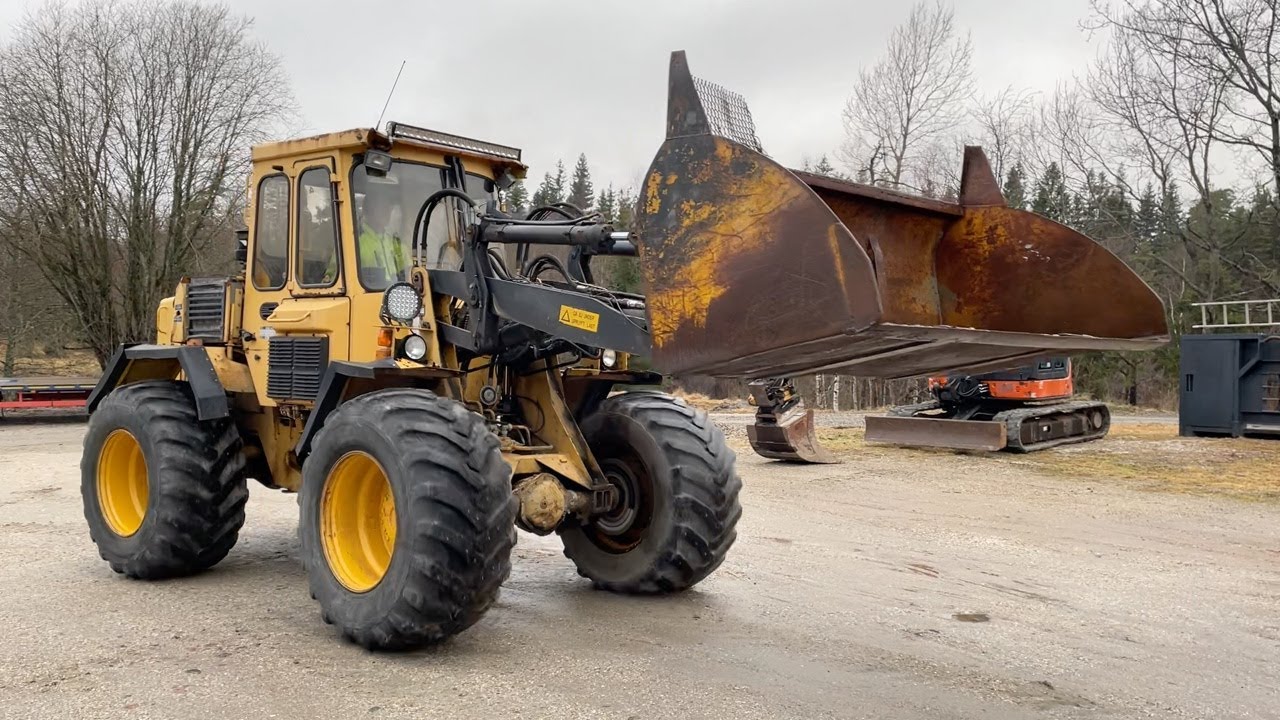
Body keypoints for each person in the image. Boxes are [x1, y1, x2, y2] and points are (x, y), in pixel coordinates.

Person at [357, 191, 407, 287]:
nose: (387, 211)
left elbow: (410, 272)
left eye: (388, 207)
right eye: (381, 207)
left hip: (397, 298)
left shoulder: (396, 243)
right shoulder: (353, 243)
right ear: (367, 210)